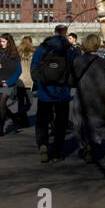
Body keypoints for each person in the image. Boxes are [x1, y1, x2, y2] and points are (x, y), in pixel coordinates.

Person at [31, 25, 76, 163]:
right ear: (65, 34)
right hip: (62, 91)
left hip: (45, 91)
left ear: (53, 32)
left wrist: (39, 82)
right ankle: (57, 151)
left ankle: (43, 144)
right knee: (61, 122)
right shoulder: (69, 50)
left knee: (42, 120)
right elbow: (74, 69)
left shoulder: (42, 48)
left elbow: (34, 68)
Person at [72, 35, 105, 161]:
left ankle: (84, 144)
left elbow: (72, 79)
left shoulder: (78, 60)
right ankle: (92, 144)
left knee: (80, 121)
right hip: (96, 96)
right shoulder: (102, 63)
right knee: (96, 121)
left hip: (81, 95)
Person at [0, 33, 25, 136]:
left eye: (3, 41)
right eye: (0, 41)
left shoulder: (15, 55)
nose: (1, 43)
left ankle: (1, 128)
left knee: (1, 104)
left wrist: (9, 82)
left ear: (9, 42)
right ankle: (15, 119)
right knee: (2, 106)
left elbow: (18, 71)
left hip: (8, 82)